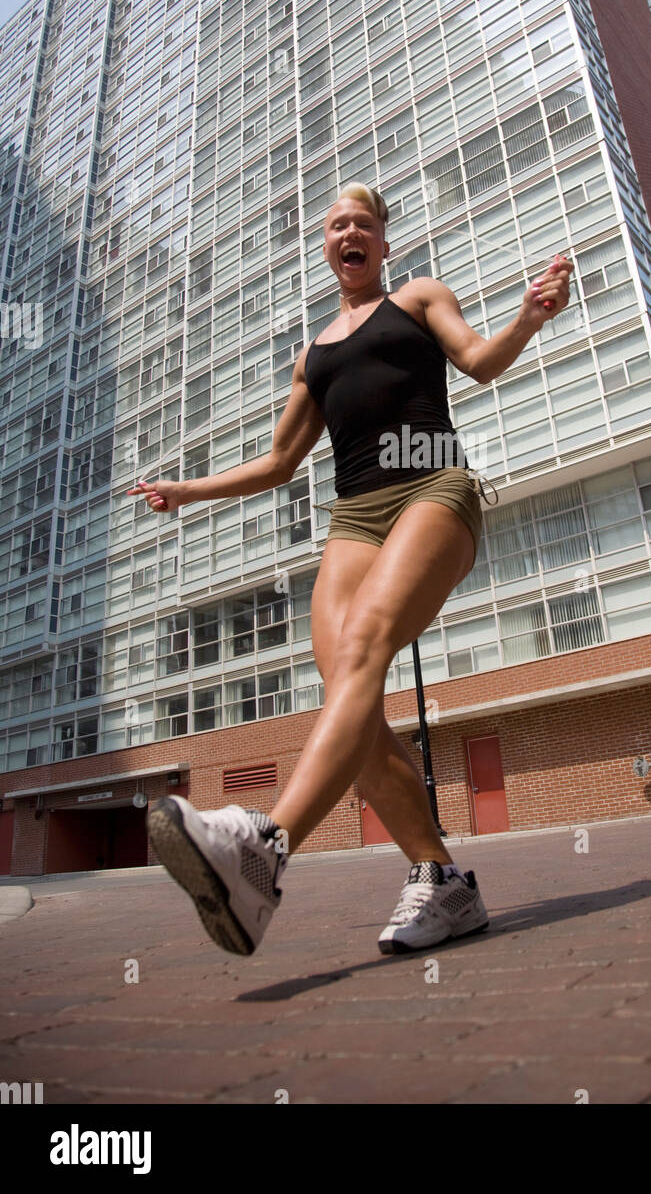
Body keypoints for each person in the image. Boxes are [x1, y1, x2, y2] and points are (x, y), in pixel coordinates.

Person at [127, 183, 572, 958]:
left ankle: (264, 844)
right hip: (355, 515)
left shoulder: (420, 296)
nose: (350, 232)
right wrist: (186, 489)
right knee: (351, 701)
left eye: (364, 222)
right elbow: (277, 462)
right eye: (337, 224)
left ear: (383, 243)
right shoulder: (313, 354)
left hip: (434, 486)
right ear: (326, 246)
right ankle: (442, 883)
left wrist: (529, 317)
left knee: (364, 645)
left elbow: (481, 363)